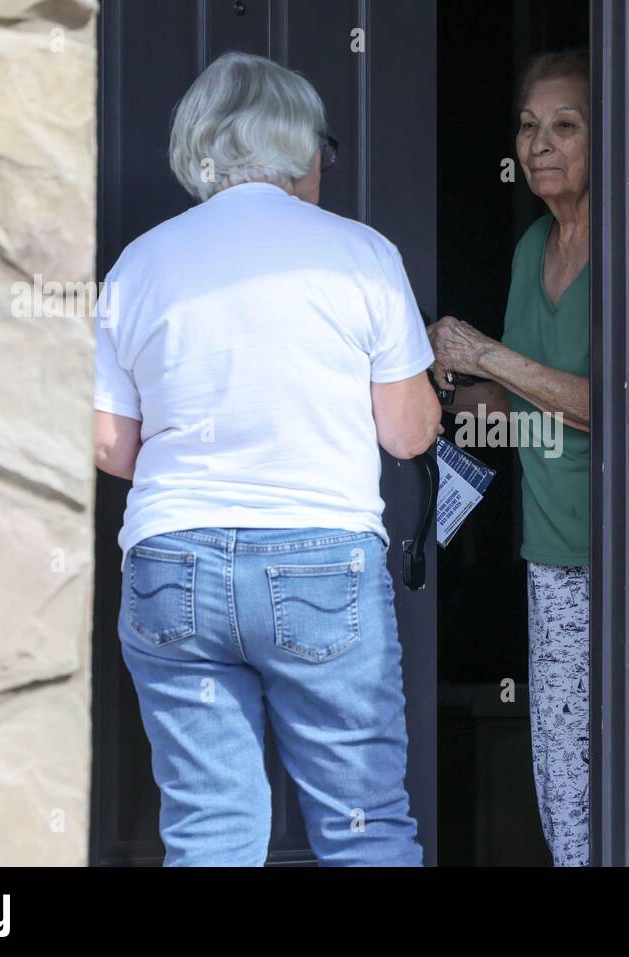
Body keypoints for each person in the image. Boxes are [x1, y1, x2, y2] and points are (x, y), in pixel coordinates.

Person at [92, 51, 441, 866]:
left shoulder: (140, 263)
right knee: (365, 827)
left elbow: (113, 446)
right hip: (320, 558)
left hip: (171, 561)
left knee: (211, 834)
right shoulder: (361, 255)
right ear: (301, 149)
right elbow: (405, 434)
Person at [427, 48, 592, 867]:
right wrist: (442, 383)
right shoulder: (534, 248)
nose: (541, 144)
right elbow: (505, 416)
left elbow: (613, 406)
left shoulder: (623, 249)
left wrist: (487, 354)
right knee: (563, 784)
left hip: (627, 563)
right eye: (529, 127)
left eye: (565, 125)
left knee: (625, 776)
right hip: (551, 558)